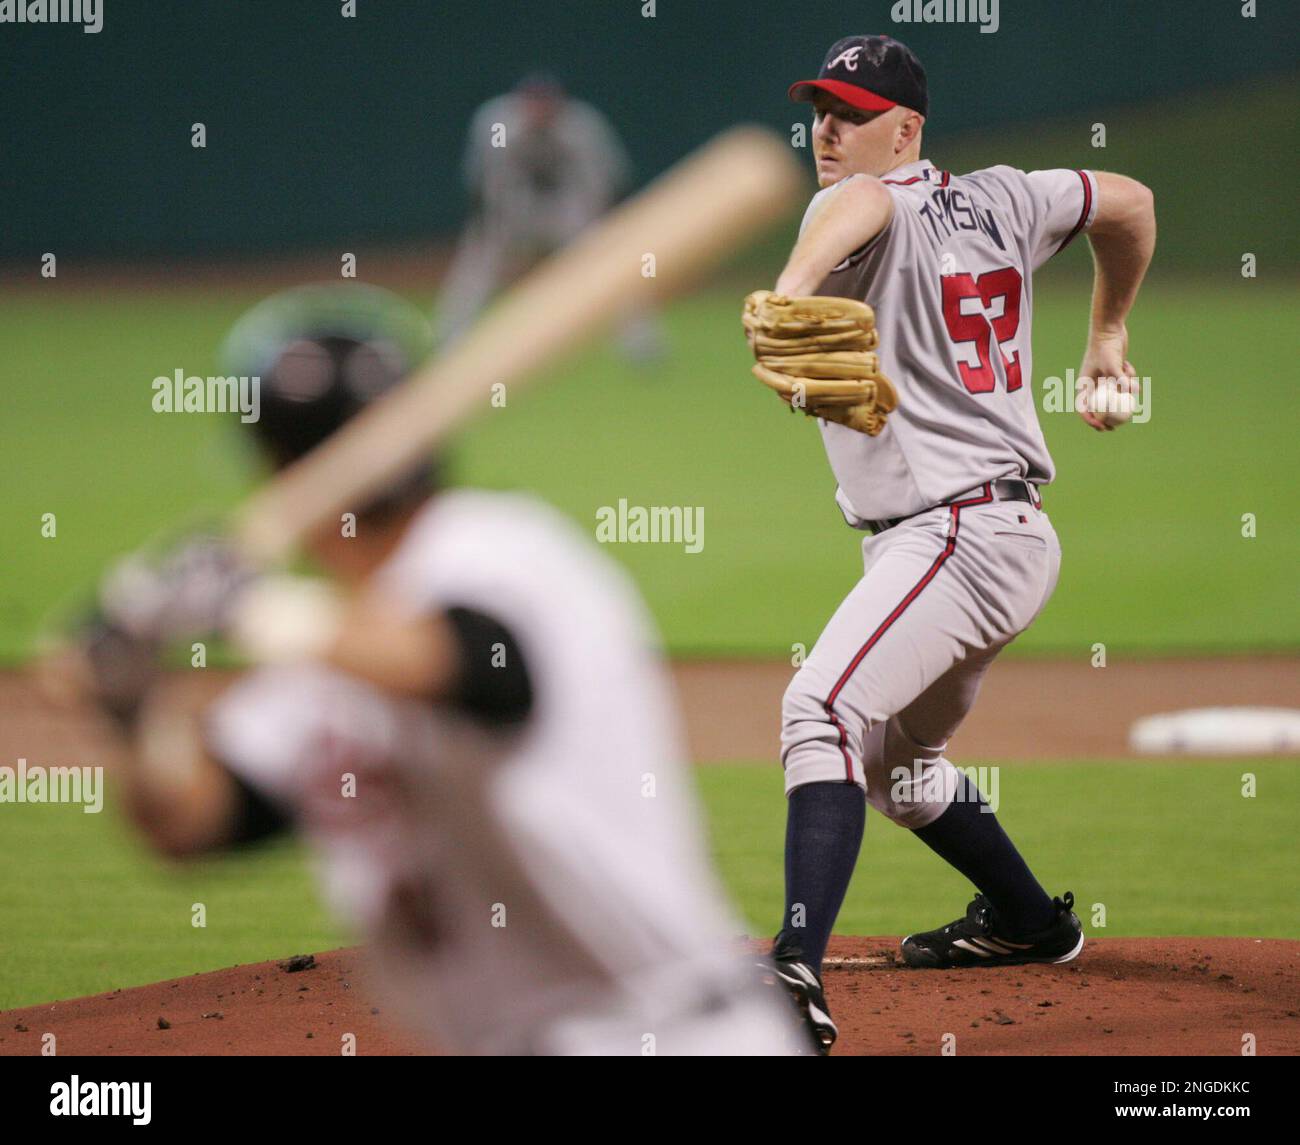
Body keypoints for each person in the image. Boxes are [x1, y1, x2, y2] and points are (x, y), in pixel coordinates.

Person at [51, 284, 802, 1056]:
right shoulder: (327, 660)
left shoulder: (499, 550)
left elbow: (475, 667)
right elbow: (195, 821)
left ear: (276, 465)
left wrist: (248, 607)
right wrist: (136, 714)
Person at [749, 35, 1156, 1053]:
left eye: (851, 112)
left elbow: (864, 209)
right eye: (820, 111)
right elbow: (1132, 201)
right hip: (992, 536)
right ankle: (1030, 922)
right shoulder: (1011, 198)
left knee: (821, 708)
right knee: (899, 767)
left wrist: (795, 279)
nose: (829, 131)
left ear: (907, 128)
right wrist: (1106, 336)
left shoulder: (851, 200)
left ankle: (792, 972)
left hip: (956, 534)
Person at [435, 74, 663, 360]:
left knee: (610, 264)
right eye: (533, 102)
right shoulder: (495, 121)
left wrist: (604, 229)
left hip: (567, 209)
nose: (539, 110)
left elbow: (607, 181)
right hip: (512, 207)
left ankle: (640, 344)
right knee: (476, 267)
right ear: (520, 103)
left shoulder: (582, 126)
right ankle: (449, 343)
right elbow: (482, 180)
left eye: (546, 103)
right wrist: (488, 226)